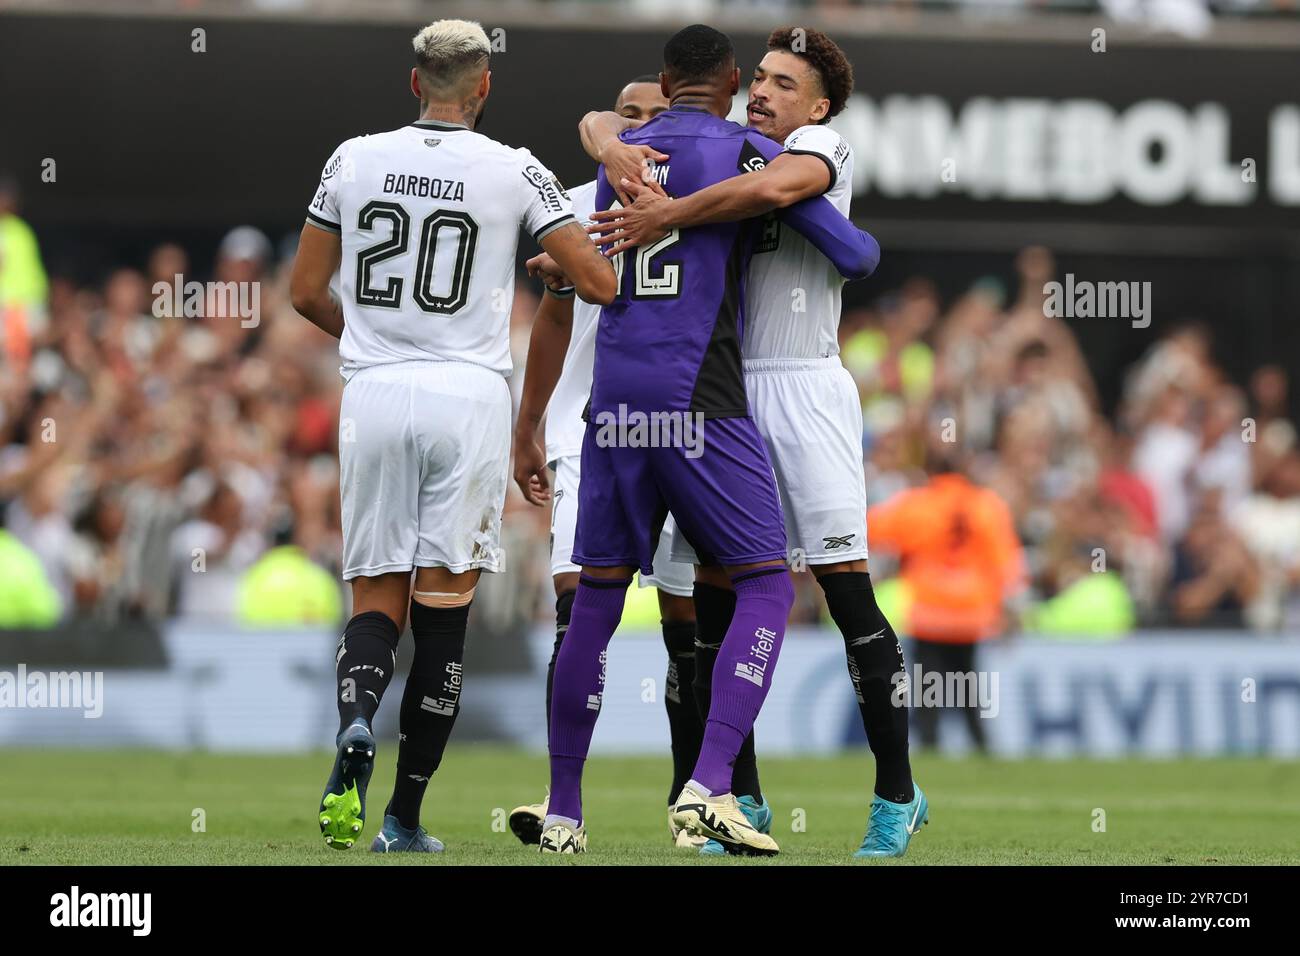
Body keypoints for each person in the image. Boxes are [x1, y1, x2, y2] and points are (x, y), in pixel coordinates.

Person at [517, 23, 879, 855]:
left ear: (662, 83)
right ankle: (710, 784)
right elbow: (851, 251)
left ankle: (565, 809)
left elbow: (589, 154)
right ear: (723, 83)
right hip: (698, 400)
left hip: (612, 406)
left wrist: (605, 138)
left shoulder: (617, 161)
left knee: (596, 605)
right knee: (765, 586)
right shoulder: (747, 152)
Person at [289, 18, 615, 854]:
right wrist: (548, 266)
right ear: (484, 87)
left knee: (374, 597)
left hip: (375, 390)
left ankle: (358, 718)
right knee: (443, 611)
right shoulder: (517, 170)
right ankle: (402, 817)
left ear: (413, 83)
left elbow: (302, 291)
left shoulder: (351, 157)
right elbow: (597, 280)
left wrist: (370, 341)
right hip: (468, 397)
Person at [507, 75, 710, 849]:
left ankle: (687, 801)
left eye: (660, 114)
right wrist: (528, 425)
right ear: (612, 128)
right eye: (630, 115)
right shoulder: (570, 197)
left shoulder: (706, 198)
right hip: (584, 428)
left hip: (682, 428)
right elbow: (554, 325)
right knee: (577, 604)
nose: (644, 125)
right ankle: (566, 802)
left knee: (685, 624)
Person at [867, 450, 1025, 753]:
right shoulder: (987, 504)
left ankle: (930, 748)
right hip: (971, 611)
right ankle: (982, 748)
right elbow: (1006, 559)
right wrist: (1010, 607)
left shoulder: (916, 503)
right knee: (968, 686)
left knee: (929, 689)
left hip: (931, 610)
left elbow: (872, 529)